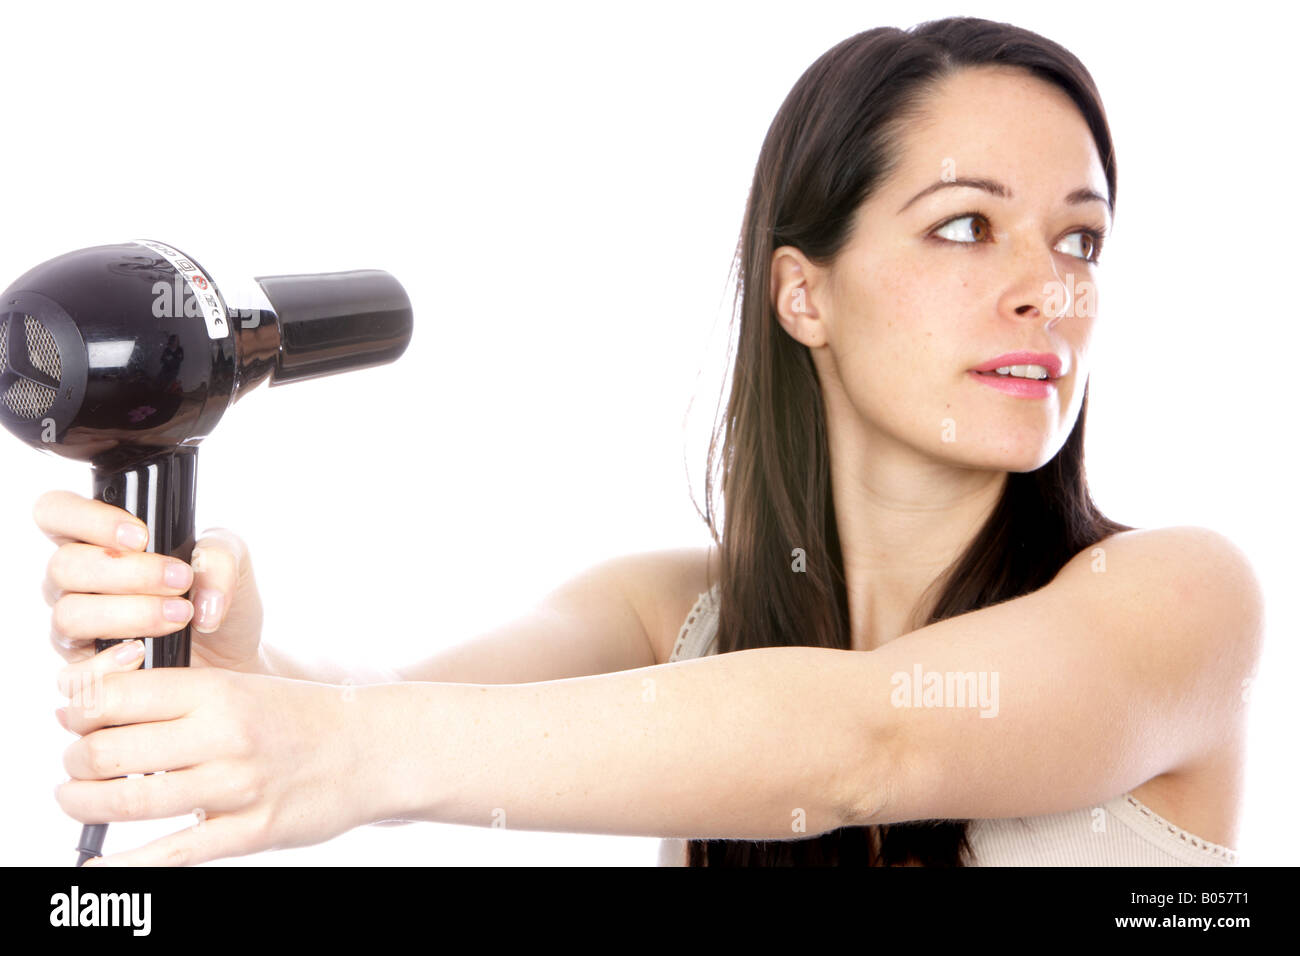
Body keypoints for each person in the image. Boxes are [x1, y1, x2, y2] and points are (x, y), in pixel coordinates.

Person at [42, 16, 1262, 867]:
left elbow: (863, 743)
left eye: (1078, 240)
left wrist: (338, 744)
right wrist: (224, 650)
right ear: (803, 294)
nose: (1046, 290)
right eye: (963, 227)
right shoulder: (667, 621)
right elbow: (373, 706)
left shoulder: (1177, 603)